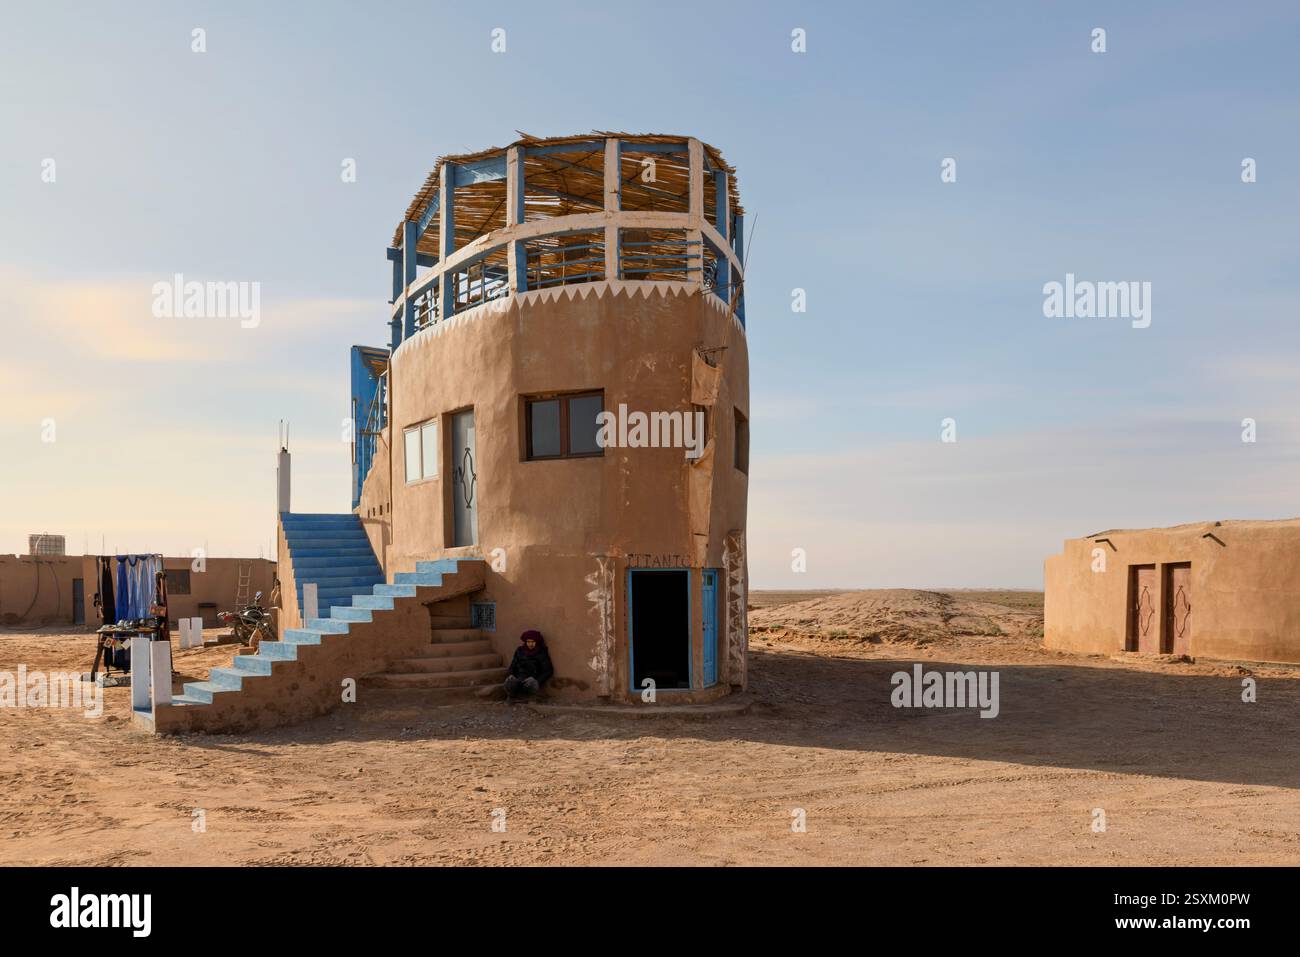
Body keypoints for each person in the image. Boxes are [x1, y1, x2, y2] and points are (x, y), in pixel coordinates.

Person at [504, 629, 553, 701]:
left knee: (531, 684)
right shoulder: (519, 651)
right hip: (519, 677)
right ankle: (512, 697)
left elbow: (548, 670)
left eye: (533, 642)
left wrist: (537, 680)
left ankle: (530, 698)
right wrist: (511, 674)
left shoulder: (541, 653)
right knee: (509, 682)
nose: (530, 644)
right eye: (528, 642)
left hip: (531, 679)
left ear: (537, 642)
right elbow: (513, 665)